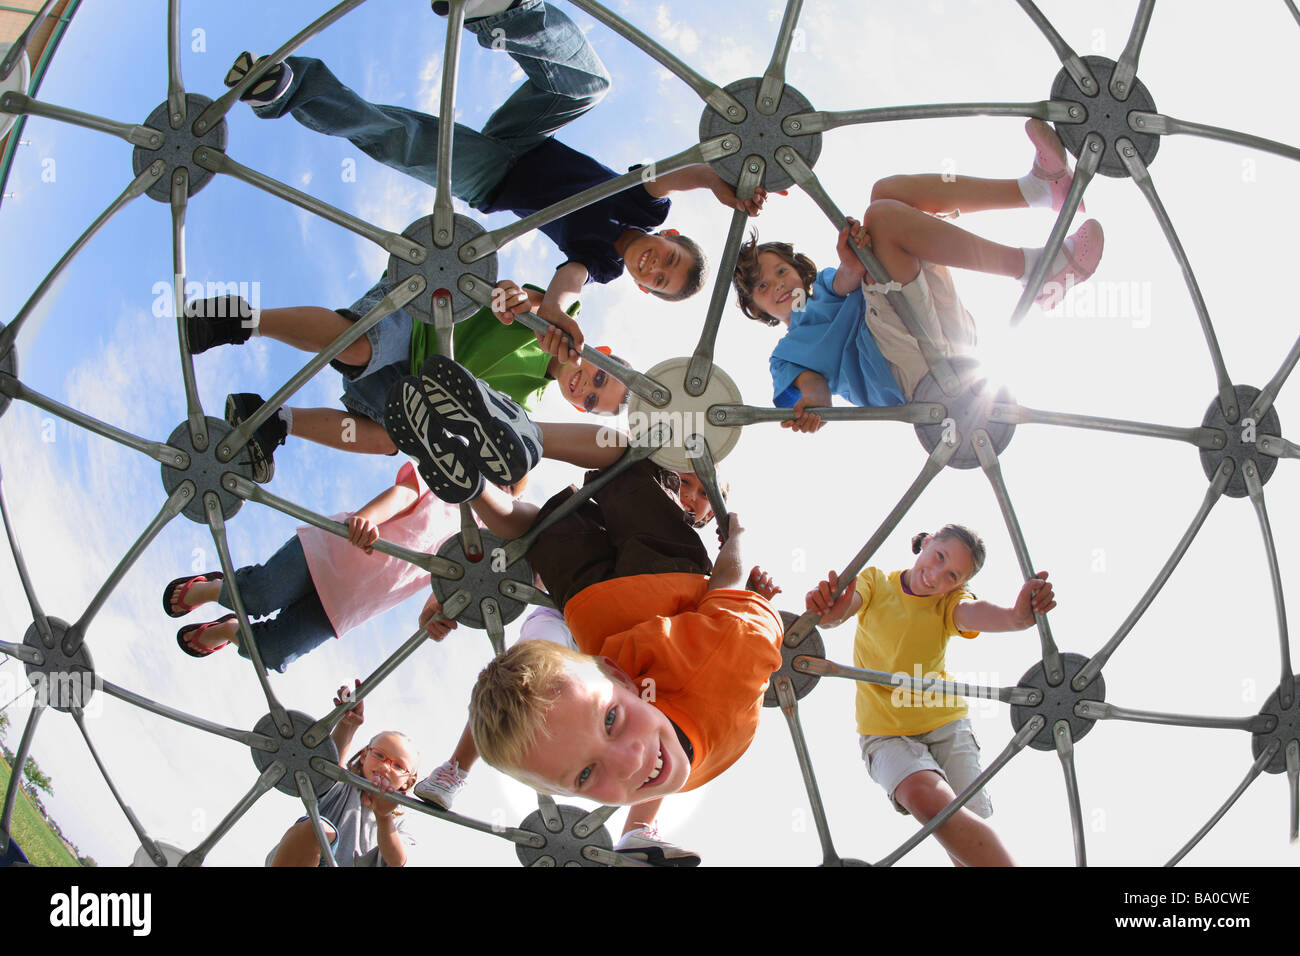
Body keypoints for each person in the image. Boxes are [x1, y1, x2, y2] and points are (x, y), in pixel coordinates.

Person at [228, 0, 773, 361]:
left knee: (403, 140)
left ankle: (291, 88)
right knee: (587, 84)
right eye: (668, 260)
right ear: (669, 240)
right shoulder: (647, 212)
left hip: (495, 179)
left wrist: (555, 311)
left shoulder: (602, 262)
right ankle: (499, 10)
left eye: (657, 280)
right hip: (531, 137)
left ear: (640, 287)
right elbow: (671, 178)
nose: (654, 266)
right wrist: (713, 180)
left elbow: (569, 280)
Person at [731, 120, 1104, 433]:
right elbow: (815, 388)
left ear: (800, 271)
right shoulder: (785, 356)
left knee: (885, 193)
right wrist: (813, 407)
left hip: (936, 326)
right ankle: (1033, 270)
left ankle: (1037, 189)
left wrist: (854, 258)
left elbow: (847, 278)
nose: (778, 284)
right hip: (899, 370)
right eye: (762, 286)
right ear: (755, 307)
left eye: (781, 271)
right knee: (883, 218)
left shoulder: (827, 286)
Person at [185, 277, 628, 483]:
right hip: (420, 317)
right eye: (599, 378)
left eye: (590, 401)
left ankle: (272, 419)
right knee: (360, 345)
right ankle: (240, 320)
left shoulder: (523, 401)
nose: (584, 387)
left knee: (390, 440)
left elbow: (506, 440)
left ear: (577, 409)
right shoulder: (552, 320)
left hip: (408, 380)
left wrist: (515, 477)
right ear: (599, 353)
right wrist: (514, 298)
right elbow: (540, 289)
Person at [804, 525, 1057, 867]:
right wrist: (829, 607)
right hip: (886, 733)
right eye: (939, 557)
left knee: (966, 836)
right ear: (924, 543)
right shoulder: (878, 582)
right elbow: (842, 610)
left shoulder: (948, 603)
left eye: (952, 575)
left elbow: (972, 614)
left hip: (946, 724)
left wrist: (1015, 618)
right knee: (926, 799)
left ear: (959, 585)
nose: (937, 574)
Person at [163, 461, 464, 668]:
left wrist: (431, 614)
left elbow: (452, 580)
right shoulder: (460, 477)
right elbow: (408, 490)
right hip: (334, 551)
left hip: (351, 601)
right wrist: (368, 517)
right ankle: (211, 589)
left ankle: (229, 631)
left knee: (274, 651)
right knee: (257, 595)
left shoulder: (486, 540)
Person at [266, 682, 417, 866]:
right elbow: (328, 767)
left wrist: (384, 817)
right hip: (312, 860)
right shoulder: (345, 788)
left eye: (399, 766)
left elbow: (397, 860)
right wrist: (348, 724)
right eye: (379, 755)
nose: (386, 767)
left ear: (408, 782)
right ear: (364, 756)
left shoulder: (401, 822)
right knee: (317, 828)